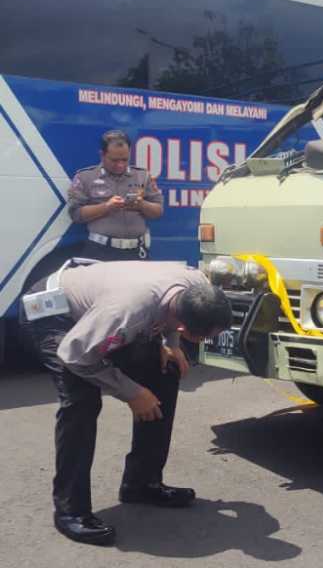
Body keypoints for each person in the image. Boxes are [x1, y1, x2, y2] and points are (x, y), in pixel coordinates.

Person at [18, 261, 232, 546]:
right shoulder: (126, 312)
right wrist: (132, 393)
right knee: (81, 400)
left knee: (165, 370)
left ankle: (142, 484)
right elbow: (76, 356)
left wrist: (173, 344)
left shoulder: (196, 283)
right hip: (52, 311)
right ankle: (70, 511)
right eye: (203, 337)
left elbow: (170, 317)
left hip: (107, 309)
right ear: (182, 323)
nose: (207, 341)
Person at [67, 130, 163, 261]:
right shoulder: (85, 177)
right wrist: (106, 207)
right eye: (114, 160)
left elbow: (158, 211)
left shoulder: (142, 176)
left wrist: (141, 205)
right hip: (100, 251)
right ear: (102, 155)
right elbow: (75, 214)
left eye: (125, 159)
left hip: (136, 252)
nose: (120, 165)